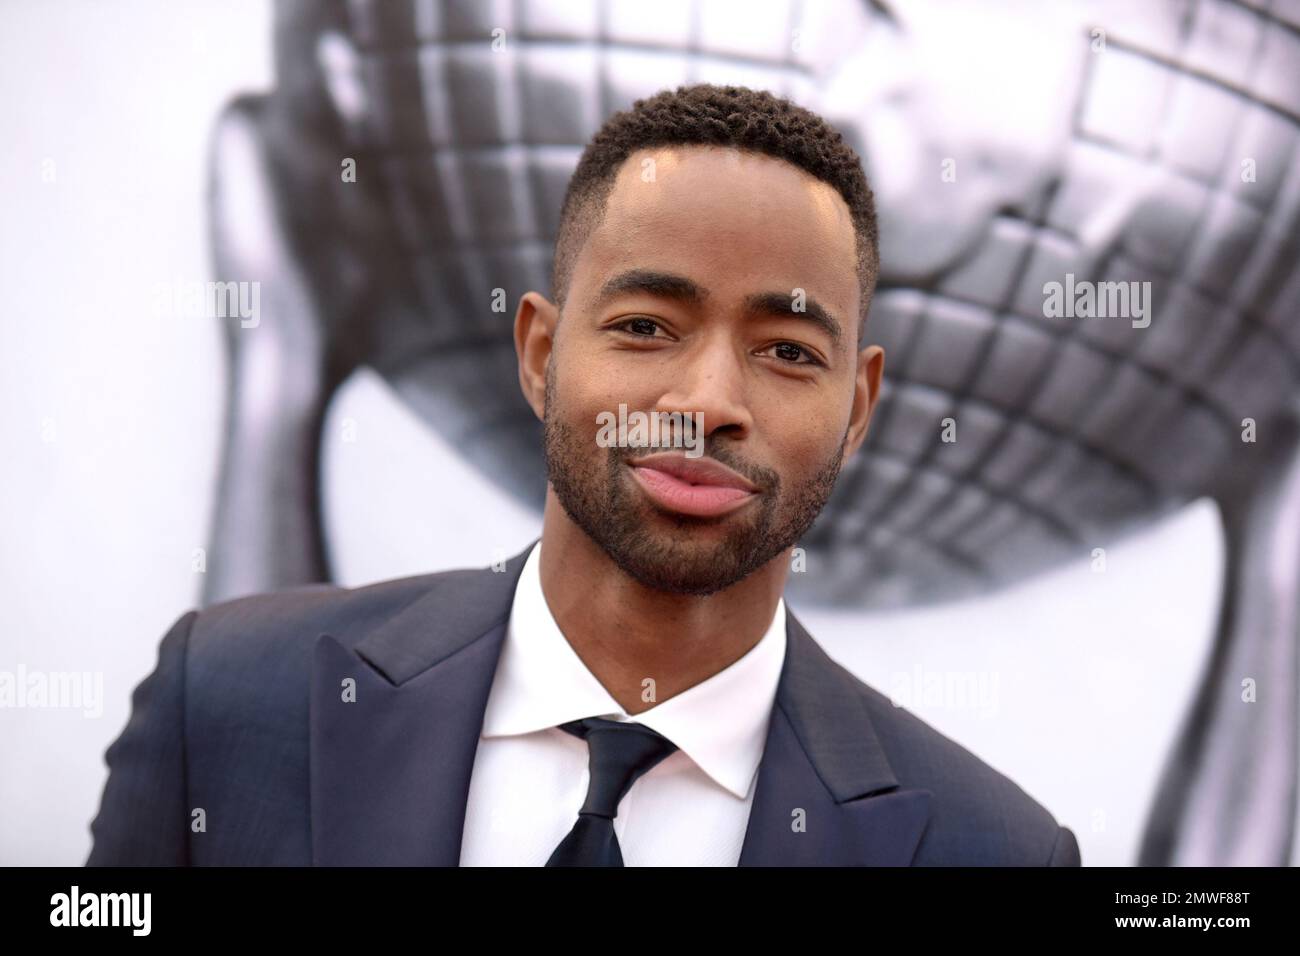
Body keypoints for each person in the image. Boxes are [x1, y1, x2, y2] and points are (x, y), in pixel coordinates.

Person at [86, 84, 1080, 866]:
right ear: (538, 353)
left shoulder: (988, 848)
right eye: (645, 326)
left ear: (857, 408)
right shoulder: (223, 704)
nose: (706, 399)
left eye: (785, 350)